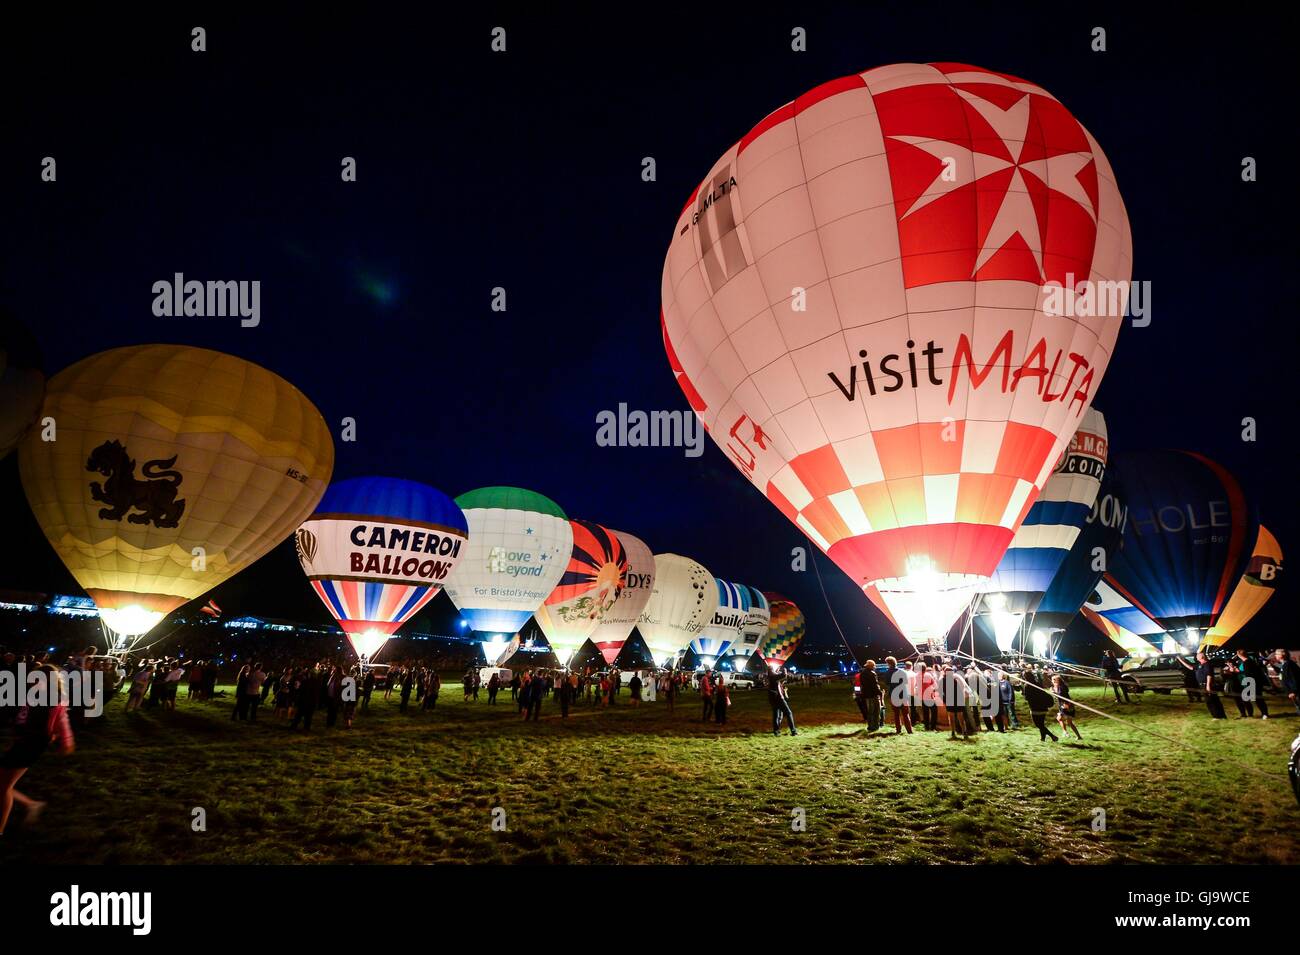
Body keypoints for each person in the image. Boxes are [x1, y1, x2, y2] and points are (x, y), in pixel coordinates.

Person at [0, 664, 76, 835]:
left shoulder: (55, 699)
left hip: (31, 746)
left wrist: (66, 741)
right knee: (3, 784)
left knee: (3, 787)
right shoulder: (32, 693)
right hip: (21, 742)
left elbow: (62, 722)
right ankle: (31, 804)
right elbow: (21, 715)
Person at [1183, 652, 1225, 719]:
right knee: (1209, 701)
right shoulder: (1200, 664)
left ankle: (1217, 716)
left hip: (1207, 685)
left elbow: (1209, 675)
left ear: (1201, 657)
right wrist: (1181, 660)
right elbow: (1190, 667)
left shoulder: (1207, 664)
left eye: (1197, 656)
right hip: (1202, 685)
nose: (1196, 657)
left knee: (1212, 701)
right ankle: (1218, 716)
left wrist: (1208, 685)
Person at [1022, 670, 1057, 742]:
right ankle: (1043, 738)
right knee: (1041, 724)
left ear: (1025, 677)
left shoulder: (1027, 685)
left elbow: (1027, 697)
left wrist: (1024, 695)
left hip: (1035, 707)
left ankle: (1052, 736)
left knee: (1038, 725)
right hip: (1043, 706)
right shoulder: (1037, 683)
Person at [1235, 649, 1270, 719]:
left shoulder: (1247, 662)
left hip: (1253, 682)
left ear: (1239, 655)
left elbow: (1248, 674)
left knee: (1258, 699)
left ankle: (1264, 713)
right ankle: (1252, 714)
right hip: (1251, 682)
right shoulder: (1248, 661)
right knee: (1247, 698)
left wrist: (1238, 671)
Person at [883, 657, 912, 734]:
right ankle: (909, 731)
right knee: (906, 714)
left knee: (896, 714)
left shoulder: (887, 673)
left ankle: (898, 730)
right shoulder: (902, 672)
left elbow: (887, 683)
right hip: (903, 694)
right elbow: (906, 682)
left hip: (893, 695)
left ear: (889, 664)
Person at [940, 665, 970, 739]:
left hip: (956, 699)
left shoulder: (954, 678)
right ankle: (956, 731)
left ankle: (961, 731)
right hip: (952, 699)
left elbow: (962, 688)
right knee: (954, 716)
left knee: (957, 716)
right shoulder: (945, 679)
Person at [1052, 674, 1082, 739]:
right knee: (1068, 722)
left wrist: (1055, 692)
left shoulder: (1062, 687)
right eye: (1053, 680)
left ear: (1059, 680)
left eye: (1055, 679)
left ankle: (1066, 732)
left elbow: (1062, 694)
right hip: (1062, 705)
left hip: (1067, 705)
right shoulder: (1056, 687)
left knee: (1061, 719)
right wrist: (1054, 691)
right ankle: (1077, 736)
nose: (1053, 681)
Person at [768, 667, 796, 736]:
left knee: (776, 715)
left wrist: (777, 670)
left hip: (772, 698)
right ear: (771, 671)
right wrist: (784, 669)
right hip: (778, 698)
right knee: (788, 713)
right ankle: (793, 731)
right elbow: (783, 675)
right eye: (773, 670)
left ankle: (776, 731)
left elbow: (779, 678)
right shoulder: (773, 676)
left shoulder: (771, 677)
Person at [859, 660, 881, 732]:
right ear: (871, 666)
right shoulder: (873, 673)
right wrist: (880, 692)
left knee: (870, 711)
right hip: (873, 695)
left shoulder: (862, 673)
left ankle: (870, 726)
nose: (875, 667)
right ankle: (875, 726)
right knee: (876, 710)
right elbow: (875, 685)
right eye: (874, 666)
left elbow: (862, 684)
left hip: (866, 695)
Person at [1277, 649, 1300, 715]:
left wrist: (1294, 691)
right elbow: (1283, 675)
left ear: (1282, 655)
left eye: (1277, 654)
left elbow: (1294, 678)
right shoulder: (1284, 665)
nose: (1275, 655)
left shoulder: (1289, 665)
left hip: (1296, 692)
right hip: (1293, 691)